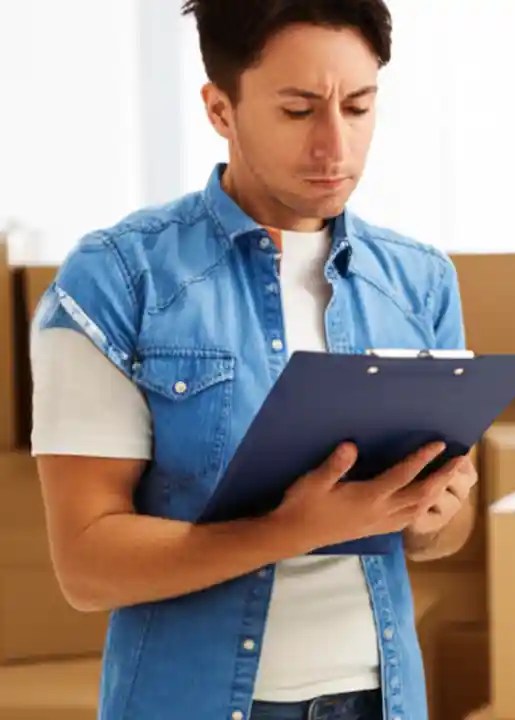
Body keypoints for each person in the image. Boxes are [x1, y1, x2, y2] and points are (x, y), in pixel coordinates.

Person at [30, 3, 475, 719]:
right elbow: (85, 564)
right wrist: (291, 530)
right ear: (220, 109)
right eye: (299, 110)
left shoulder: (420, 281)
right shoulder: (117, 279)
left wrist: (434, 512)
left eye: (359, 107)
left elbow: (443, 534)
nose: (337, 145)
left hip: (381, 700)